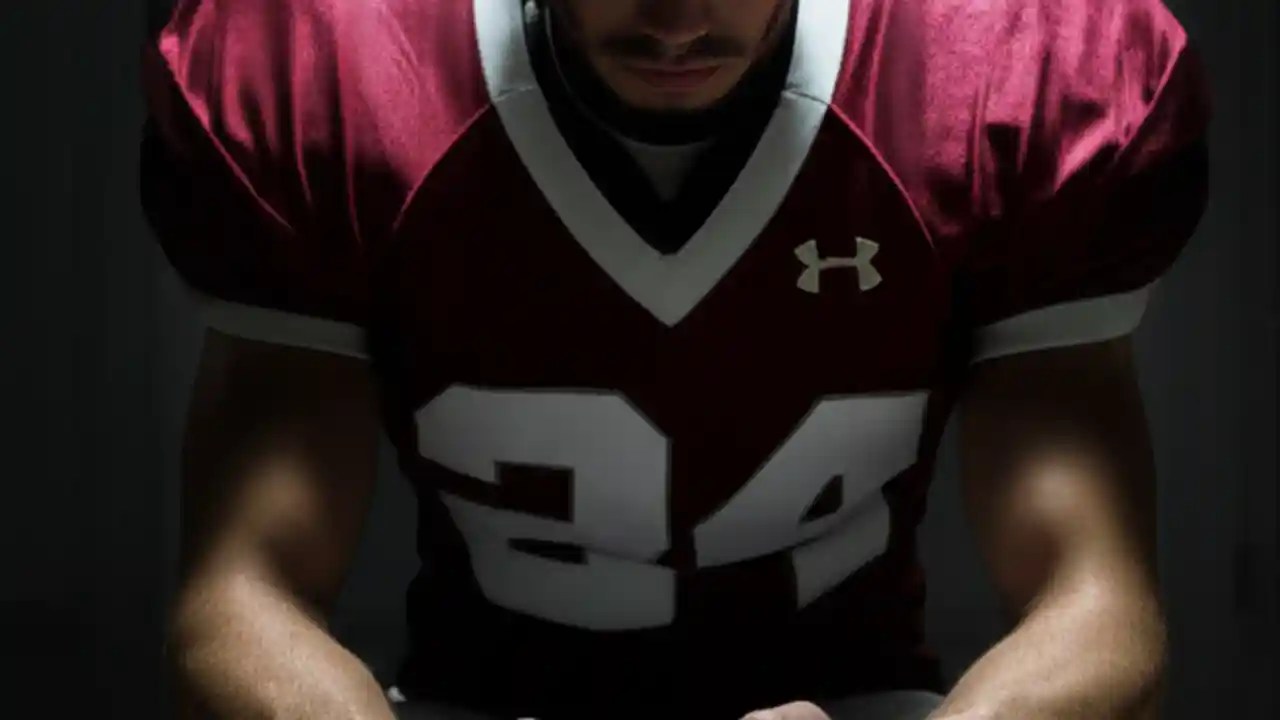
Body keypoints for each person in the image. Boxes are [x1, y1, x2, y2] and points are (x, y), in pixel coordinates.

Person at [138, 0, 1211, 718]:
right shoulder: (327, 59)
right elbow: (240, 594)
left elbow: (1098, 603)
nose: (676, 16)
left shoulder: (1012, 66)